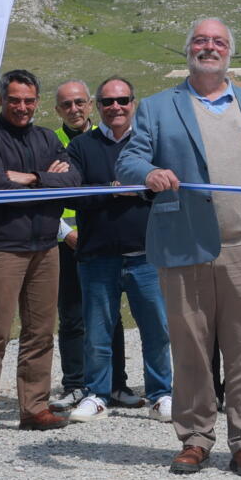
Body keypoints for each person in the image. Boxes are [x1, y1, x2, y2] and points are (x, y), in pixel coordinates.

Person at [120, 18, 241, 476]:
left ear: (230, 52)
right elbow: (129, 158)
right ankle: (195, 437)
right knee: (191, 348)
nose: (209, 47)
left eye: (218, 41)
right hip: (183, 247)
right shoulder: (158, 107)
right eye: (201, 40)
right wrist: (148, 174)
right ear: (188, 50)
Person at [0, 69, 82, 435]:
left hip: (45, 246)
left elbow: (73, 180)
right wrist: (45, 176)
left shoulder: (47, 137)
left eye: (29, 101)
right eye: (15, 100)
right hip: (3, 246)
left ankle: (34, 407)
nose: (22, 107)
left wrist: (32, 178)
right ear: (2, 100)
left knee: (40, 332)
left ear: (37, 102)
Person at [63, 77, 173, 423]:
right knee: (97, 333)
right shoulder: (81, 147)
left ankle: (160, 394)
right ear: (98, 106)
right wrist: (113, 190)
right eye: (108, 102)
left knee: (156, 330)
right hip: (97, 256)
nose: (116, 107)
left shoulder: (150, 146)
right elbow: (72, 192)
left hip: (146, 255)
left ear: (133, 102)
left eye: (122, 100)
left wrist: (138, 191)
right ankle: (97, 393)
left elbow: (166, 189)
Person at [53, 81, 136, 413]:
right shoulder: (52, 142)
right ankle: (75, 384)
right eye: (66, 105)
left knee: (109, 316)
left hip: (103, 238)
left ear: (90, 105)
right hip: (67, 240)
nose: (74, 110)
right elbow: (52, 193)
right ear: (58, 110)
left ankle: (115, 384)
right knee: (73, 317)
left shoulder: (109, 137)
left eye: (79, 103)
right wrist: (63, 232)